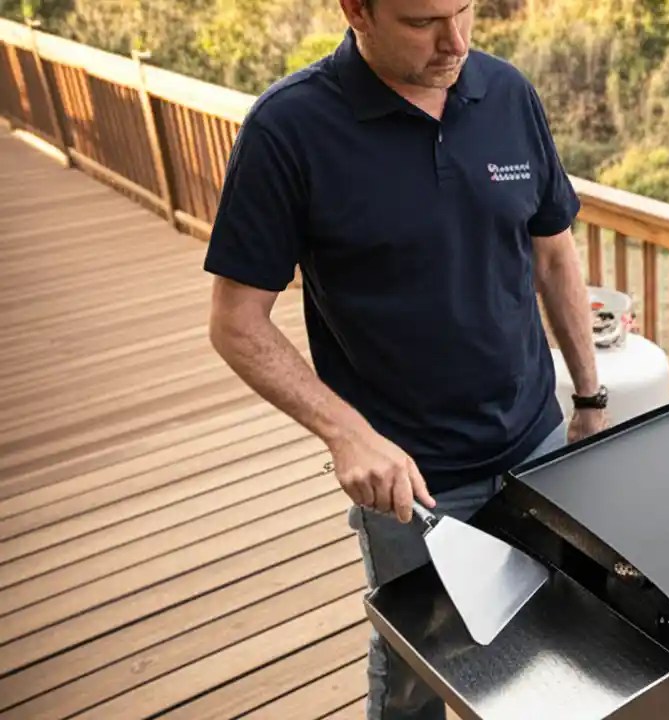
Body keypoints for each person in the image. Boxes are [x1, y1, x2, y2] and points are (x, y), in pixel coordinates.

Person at [202, 0, 608, 717]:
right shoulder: (289, 129)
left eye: (465, 10)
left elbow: (553, 255)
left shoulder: (507, 91)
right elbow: (237, 323)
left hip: (538, 446)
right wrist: (345, 433)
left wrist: (591, 398)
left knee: (551, 640)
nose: (455, 41)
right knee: (420, 669)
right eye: (424, 22)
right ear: (355, 9)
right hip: (413, 486)